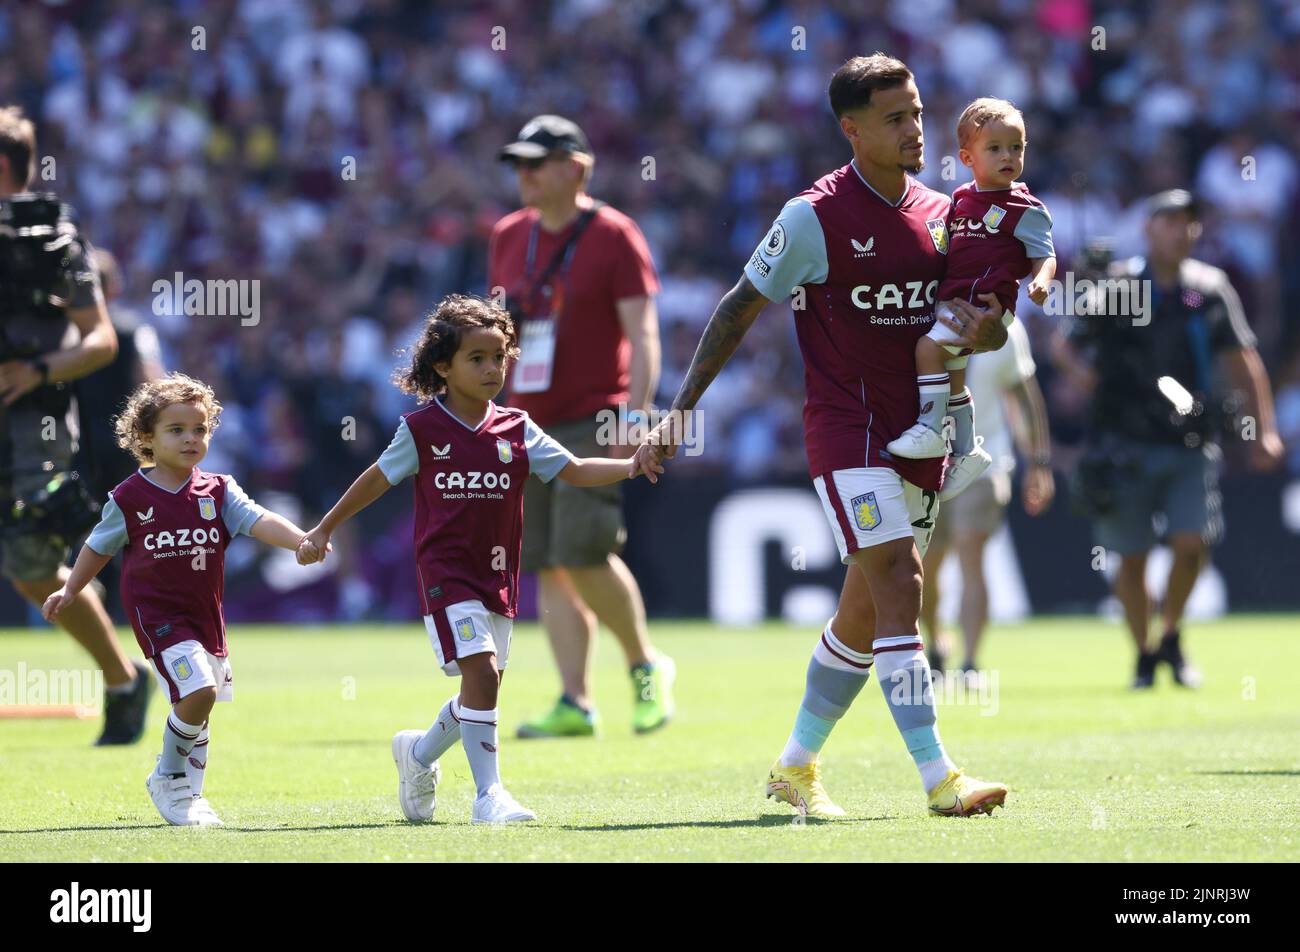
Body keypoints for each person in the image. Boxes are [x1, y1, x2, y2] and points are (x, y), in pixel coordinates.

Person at [634, 55, 1011, 817]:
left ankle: (794, 768)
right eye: (894, 118)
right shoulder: (812, 217)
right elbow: (740, 306)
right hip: (849, 433)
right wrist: (679, 410)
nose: (914, 129)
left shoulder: (948, 214)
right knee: (903, 582)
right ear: (852, 129)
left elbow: (982, 332)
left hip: (924, 437)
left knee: (864, 616)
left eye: (916, 111)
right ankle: (940, 778)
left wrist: (992, 327)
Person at [298, 295, 660, 825]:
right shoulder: (422, 430)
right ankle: (489, 796)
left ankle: (417, 755)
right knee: (482, 672)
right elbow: (375, 478)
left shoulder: (517, 427)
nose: (493, 368)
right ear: (442, 366)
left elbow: (575, 468)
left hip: (498, 579)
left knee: (481, 684)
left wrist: (631, 466)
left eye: (500, 356)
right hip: (445, 576)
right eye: (478, 358)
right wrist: (324, 527)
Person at [43, 373, 318, 826]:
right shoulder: (130, 497)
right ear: (147, 437)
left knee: (199, 705)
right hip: (159, 618)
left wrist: (300, 541)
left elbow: (258, 519)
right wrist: (71, 588)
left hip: (205, 617)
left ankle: (190, 795)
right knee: (199, 692)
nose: (191, 438)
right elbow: (98, 545)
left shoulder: (219, 490)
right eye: (177, 430)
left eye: (200, 429)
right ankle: (167, 776)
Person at [488, 114, 676, 739]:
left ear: (575, 167)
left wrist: (637, 410)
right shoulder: (509, 235)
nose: (524, 175)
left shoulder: (615, 234)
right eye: (518, 165)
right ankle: (576, 700)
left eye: (535, 164)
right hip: (525, 420)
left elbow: (642, 331)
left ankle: (646, 667)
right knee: (547, 562)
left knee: (587, 551)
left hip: (593, 415)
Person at [1052, 189, 1283, 689]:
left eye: (1190, 223)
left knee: (1192, 542)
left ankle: (1172, 631)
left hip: (1190, 441)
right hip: (1124, 442)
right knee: (1131, 557)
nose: (1184, 232)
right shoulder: (1117, 288)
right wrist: (1095, 387)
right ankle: (1144, 651)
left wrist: (1264, 430)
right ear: (1149, 228)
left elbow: (1243, 359)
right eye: (1172, 222)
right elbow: (1064, 345)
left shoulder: (1209, 288)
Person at [0, 104, 152, 744]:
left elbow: (99, 341)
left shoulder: (53, 240)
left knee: (33, 565)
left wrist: (36, 369)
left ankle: (123, 679)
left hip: (29, 418)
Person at [887, 97, 1056, 507]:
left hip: (981, 305)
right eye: (995, 148)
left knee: (928, 349)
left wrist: (1042, 283)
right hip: (955, 300)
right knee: (955, 373)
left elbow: (1045, 254)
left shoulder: (1025, 208)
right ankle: (965, 447)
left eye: (1016, 148)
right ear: (967, 157)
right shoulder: (960, 199)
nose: (1008, 157)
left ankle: (930, 427)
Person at [921, 316, 1054, 679]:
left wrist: (1038, 462)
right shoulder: (917, 316)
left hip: (985, 460)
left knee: (970, 553)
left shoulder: (1006, 329)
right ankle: (937, 644)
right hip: (925, 463)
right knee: (925, 568)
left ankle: (970, 662)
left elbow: (1025, 396)